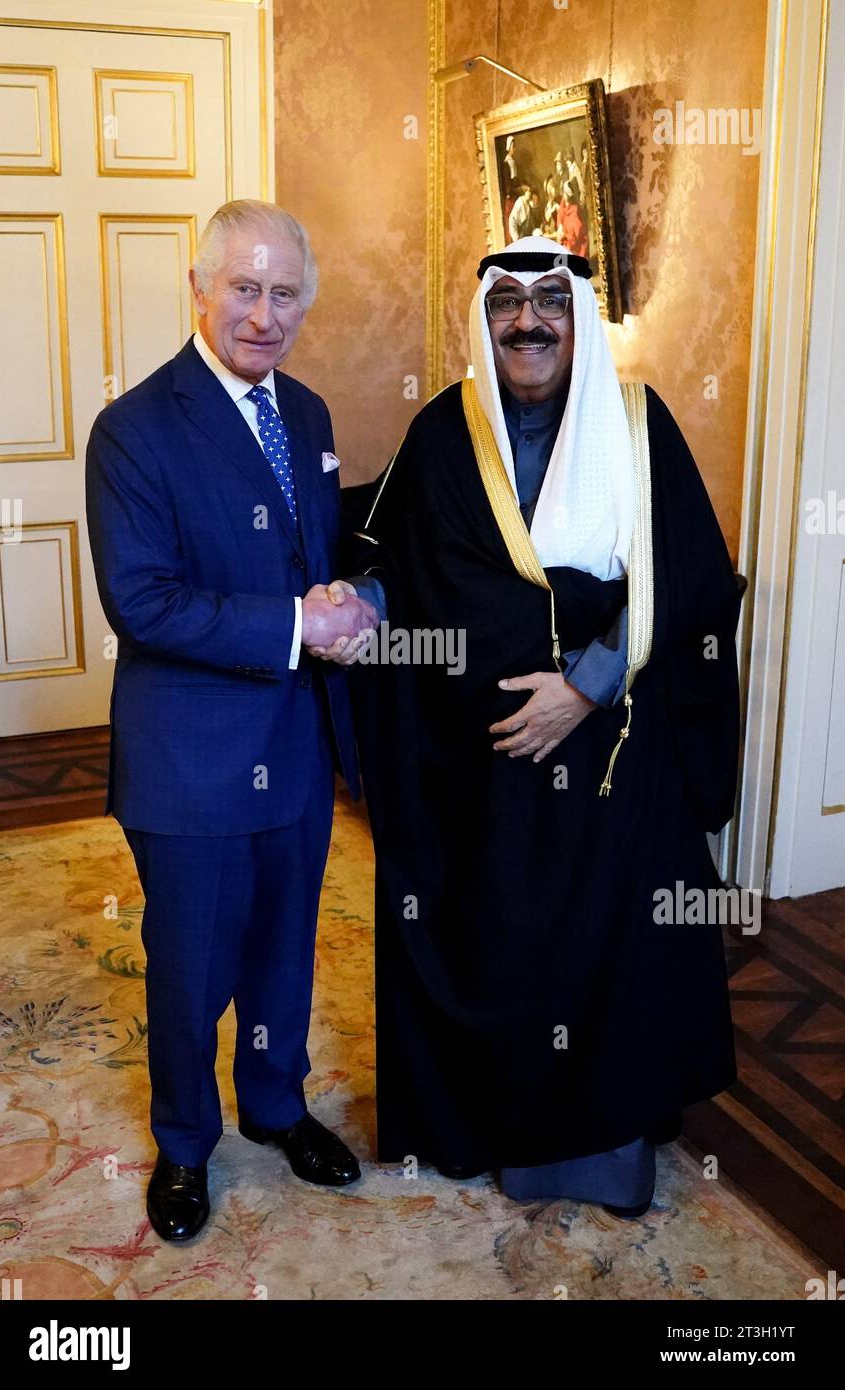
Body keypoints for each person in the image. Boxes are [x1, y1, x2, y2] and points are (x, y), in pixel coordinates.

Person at [346, 236, 742, 1217]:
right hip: (481, 767)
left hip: (612, 754)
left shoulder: (637, 426)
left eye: (549, 303)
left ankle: (606, 1143)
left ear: (579, 317)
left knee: (610, 949)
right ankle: (497, 1127)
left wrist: (587, 682)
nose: (527, 321)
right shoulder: (444, 430)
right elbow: (395, 565)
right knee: (500, 937)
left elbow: (689, 578)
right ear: (483, 318)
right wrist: (356, 605)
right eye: (508, 303)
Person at [85, 200, 378, 1242]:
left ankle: (276, 1103)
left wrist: (352, 606)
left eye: (283, 291)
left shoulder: (306, 413)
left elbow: (322, 559)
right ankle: (185, 1142)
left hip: (294, 746)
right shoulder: (132, 429)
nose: (264, 313)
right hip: (191, 758)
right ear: (201, 288)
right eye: (244, 288)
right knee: (191, 962)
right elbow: (144, 601)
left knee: (283, 946)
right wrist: (297, 624)